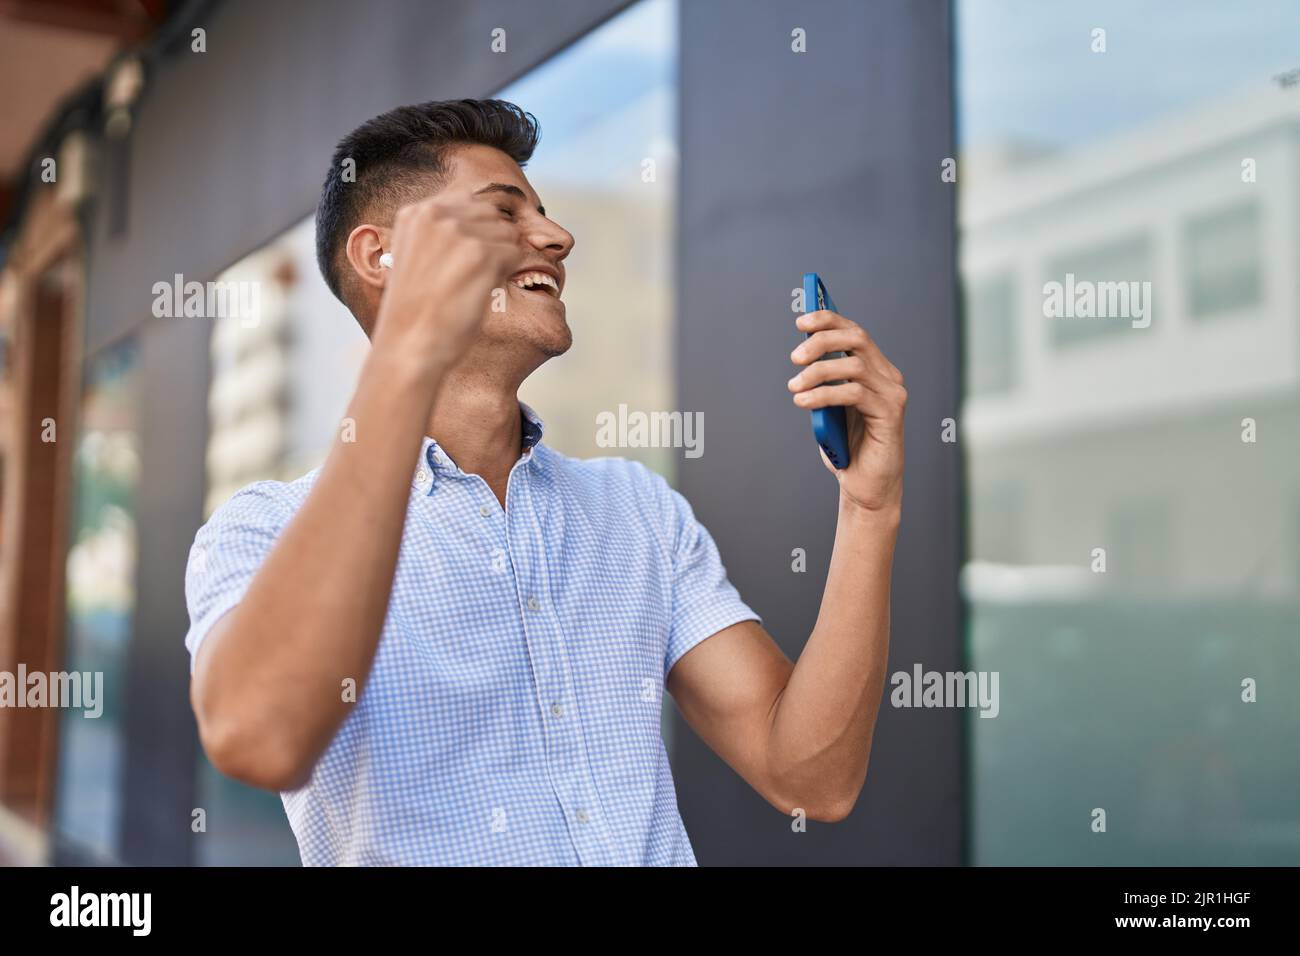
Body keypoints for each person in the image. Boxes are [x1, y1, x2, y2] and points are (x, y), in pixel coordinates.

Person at [184, 99, 908, 866]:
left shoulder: (637, 510)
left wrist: (870, 507)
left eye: (546, 213)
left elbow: (812, 778)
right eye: (504, 212)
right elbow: (259, 739)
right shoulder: (262, 530)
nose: (558, 239)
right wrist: (410, 346)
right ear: (380, 258)